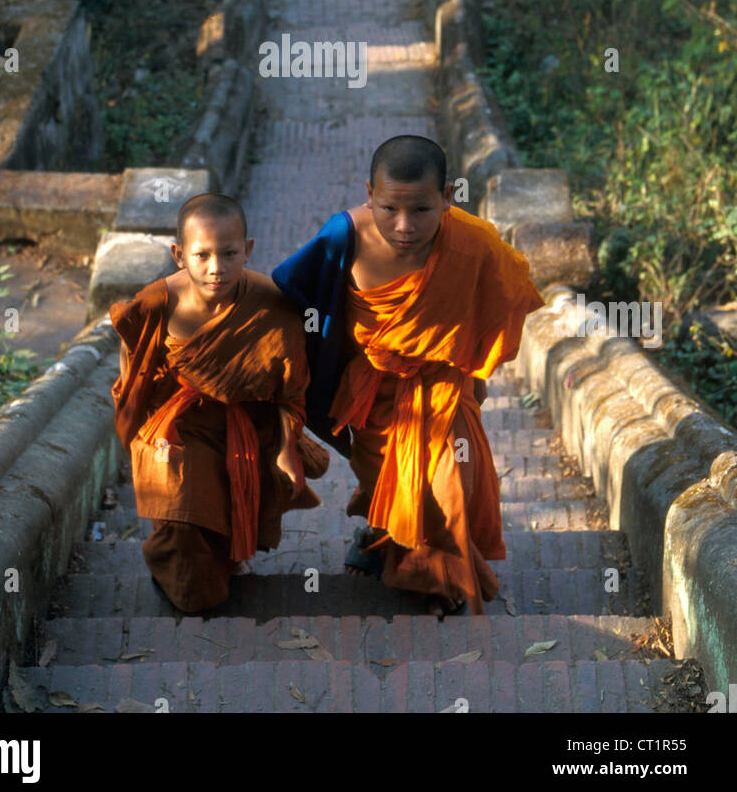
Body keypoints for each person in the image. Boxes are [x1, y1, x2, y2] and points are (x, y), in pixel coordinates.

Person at [272, 135, 544, 618]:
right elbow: (289, 294)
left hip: (441, 389)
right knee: (386, 481)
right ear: (368, 193)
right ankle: (386, 540)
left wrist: (472, 368)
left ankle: (435, 579)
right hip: (370, 392)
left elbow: (507, 297)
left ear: (448, 198)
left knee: (447, 487)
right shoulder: (344, 237)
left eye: (421, 209)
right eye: (388, 208)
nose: (403, 226)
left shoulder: (473, 243)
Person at [109, 192, 328, 614]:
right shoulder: (157, 304)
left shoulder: (272, 305)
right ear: (178, 254)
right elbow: (132, 370)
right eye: (202, 254)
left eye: (229, 253)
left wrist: (285, 449)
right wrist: (141, 429)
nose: (216, 268)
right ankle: (179, 573)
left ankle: (221, 560)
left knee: (224, 511)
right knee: (183, 524)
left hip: (246, 425)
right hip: (180, 426)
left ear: (247, 250)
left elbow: (291, 389)